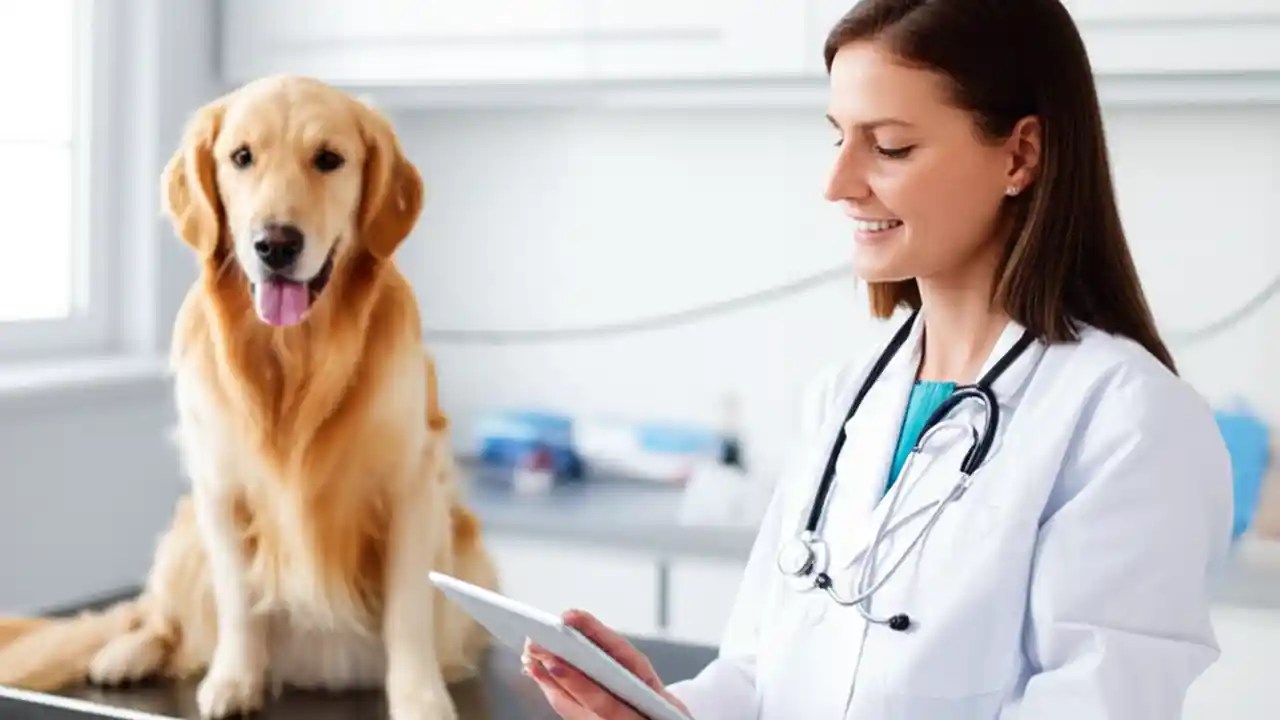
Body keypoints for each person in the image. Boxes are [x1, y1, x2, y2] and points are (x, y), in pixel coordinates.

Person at [522, 0, 1234, 717]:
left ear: (1020, 155)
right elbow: (760, 672)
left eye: (889, 147)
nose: (838, 183)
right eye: (838, 138)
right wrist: (660, 710)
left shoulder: (1128, 420)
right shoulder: (847, 396)